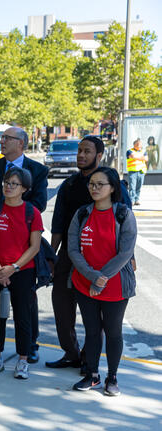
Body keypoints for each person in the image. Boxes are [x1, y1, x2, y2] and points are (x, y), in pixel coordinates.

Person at [47, 136, 132, 370]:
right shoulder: (70, 184)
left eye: (87, 151)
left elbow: (126, 221)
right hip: (70, 253)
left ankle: (88, 358)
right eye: (79, 151)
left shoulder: (113, 183)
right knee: (62, 308)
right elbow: (58, 222)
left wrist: (129, 256)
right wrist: (52, 256)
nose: (81, 155)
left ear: (100, 155)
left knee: (95, 316)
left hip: (103, 257)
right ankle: (71, 353)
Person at [0, 126, 47, 363]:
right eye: (2, 137)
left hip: (22, 245)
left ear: (22, 143)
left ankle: (30, 345)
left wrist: (12, 209)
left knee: (25, 303)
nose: (1, 141)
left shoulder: (37, 170)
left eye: (7, 138)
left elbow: (39, 203)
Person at [68, 167, 137, 396]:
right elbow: (73, 250)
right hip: (84, 282)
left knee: (113, 331)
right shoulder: (82, 214)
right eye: (92, 184)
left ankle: (112, 377)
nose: (94, 188)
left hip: (115, 286)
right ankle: (93, 375)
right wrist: (92, 277)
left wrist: (101, 279)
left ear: (113, 188)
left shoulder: (124, 215)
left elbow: (125, 253)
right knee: (92, 331)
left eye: (100, 184)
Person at [0, 167, 43, 380]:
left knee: (23, 317)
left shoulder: (31, 212)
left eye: (14, 184)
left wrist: (13, 267)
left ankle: (23, 360)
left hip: (23, 271)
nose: (8, 187)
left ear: (24, 188)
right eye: (6, 182)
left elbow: (34, 247)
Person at [126, 138, 147, 206]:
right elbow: (132, 156)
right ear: (134, 145)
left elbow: (146, 159)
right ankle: (131, 200)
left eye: (140, 145)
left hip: (141, 172)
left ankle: (137, 200)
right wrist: (141, 157)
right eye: (138, 145)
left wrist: (136, 157)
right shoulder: (129, 151)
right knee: (132, 187)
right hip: (133, 172)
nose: (139, 146)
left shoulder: (144, 151)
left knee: (139, 187)